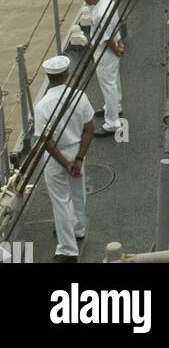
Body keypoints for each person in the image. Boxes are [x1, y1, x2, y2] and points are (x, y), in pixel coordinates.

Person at [32, 55, 95, 263]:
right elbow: (89, 129)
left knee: (60, 201)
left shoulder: (42, 106)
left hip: (56, 156)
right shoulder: (80, 97)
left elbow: (46, 141)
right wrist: (77, 159)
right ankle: (79, 228)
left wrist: (65, 163)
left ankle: (68, 250)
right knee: (78, 194)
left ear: (48, 77)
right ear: (67, 74)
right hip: (78, 149)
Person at [79, 0, 124, 137]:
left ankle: (112, 123)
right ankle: (115, 106)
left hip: (105, 52)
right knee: (114, 80)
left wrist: (116, 48)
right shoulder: (107, 2)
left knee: (108, 85)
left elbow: (106, 38)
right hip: (113, 46)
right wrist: (120, 43)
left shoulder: (100, 13)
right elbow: (116, 26)